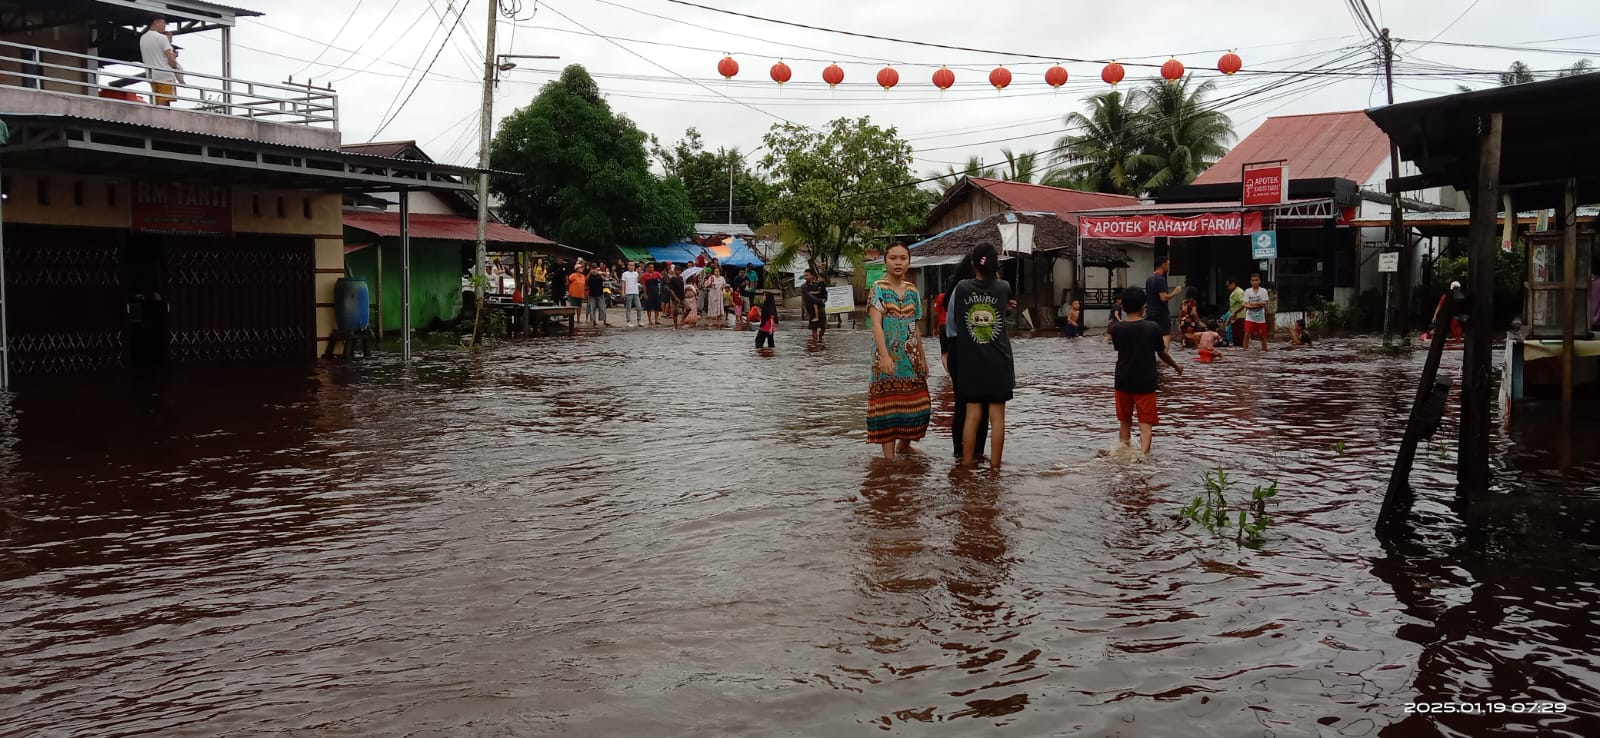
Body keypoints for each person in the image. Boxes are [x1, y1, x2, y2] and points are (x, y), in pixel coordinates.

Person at [951, 242, 1014, 469]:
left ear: (971, 264)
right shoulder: (1004, 287)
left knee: (972, 415)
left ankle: (967, 464)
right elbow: (1004, 306)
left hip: (971, 363)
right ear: (996, 266)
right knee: (997, 418)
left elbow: (957, 321)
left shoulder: (962, 288)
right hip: (999, 362)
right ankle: (995, 468)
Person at [867, 243, 931, 460]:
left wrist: (922, 358)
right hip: (886, 357)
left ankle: (904, 446)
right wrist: (884, 356)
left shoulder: (912, 289)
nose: (898, 262)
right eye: (893, 258)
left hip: (911, 358)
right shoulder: (878, 288)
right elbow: (876, 325)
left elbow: (915, 327)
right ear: (885, 261)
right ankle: (889, 459)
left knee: (919, 408)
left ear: (909, 261)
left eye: (903, 258)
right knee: (888, 408)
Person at [1110, 287, 1184, 456]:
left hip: (1123, 381)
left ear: (1123, 307)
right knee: (1146, 426)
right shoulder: (1152, 327)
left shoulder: (1116, 329)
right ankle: (1143, 459)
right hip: (1145, 382)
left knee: (1124, 423)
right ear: (1144, 307)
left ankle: (1124, 456)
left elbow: (1121, 350)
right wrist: (1176, 366)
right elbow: (1162, 353)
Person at [940, 255, 988, 462]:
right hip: (965, 349)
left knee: (967, 404)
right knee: (974, 405)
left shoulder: (985, 289)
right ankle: (969, 455)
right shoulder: (962, 289)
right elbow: (947, 324)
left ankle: (965, 456)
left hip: (963, 350)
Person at [139, 16, 179, 106]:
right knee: (165, 105)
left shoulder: (143, 38)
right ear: (155, 22)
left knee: (156, 103)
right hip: (166, 75)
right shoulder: (162, 38)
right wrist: (175, 65)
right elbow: (171, 60)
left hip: (152, 75)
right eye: (163, 23)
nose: (164, 25)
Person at [1145, 257, 1179, 349]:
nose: (1169, 266)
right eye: (1168, 264)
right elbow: (1163, 298)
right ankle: (1164, 358)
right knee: (1166, 334)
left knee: (1151, 335)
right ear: (1163, 264)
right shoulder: (1161, 279)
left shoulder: (1149, 279)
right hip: (1161, 312)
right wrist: (1174, 292)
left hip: (1150, 311)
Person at [1243, 273, 1270, 351]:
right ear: (1250, 282)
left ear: (1259, 281)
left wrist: (1253, 304)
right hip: (1249, 316)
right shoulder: (1247, 291)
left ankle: (1265, 350)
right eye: (1253, 280)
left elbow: (1263, 304)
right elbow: (1246, 305)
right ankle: (1245, 351)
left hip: (1260, 317)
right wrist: (1258, 304)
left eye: (1256, 280)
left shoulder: (1263, 291)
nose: (1255, 282)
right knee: (1247, 335)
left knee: (1262, 335)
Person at [803, 269, 828, 343]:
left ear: (812, 275)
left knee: (823, 327)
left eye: (807, 275)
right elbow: (808, 297)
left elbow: (824, 292)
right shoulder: (804, 287)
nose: (806, 277)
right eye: (805, 275)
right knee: (814, 328)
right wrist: (820, 301)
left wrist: (825, 298)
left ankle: (820, 339)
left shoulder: (818, 284)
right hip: (812, 309)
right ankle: (815, 342)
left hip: (821, 308)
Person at [1225, 278, 1247, 348]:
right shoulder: (1235, 292)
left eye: (1229, 285)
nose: (1228, 287)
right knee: (1236, 336)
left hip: (1239, 317)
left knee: (1239, 337)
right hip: (1235, 316)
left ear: (1233, 284)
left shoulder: (1239, 292)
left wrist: (1235, 313)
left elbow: (1243, 304)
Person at [621, 261, 643, 327]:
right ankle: (628, 321)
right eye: (630, 265)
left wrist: (639, 272)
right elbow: (623, 283)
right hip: (628, 292)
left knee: (639, 307)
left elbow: (639, 279)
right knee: (628, 308)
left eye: (633, 265)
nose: (632, 266)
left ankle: (639, 320)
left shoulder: (636, 273)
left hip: (635, 292)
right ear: (628, 266)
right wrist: (623, 292)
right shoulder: (625, 274)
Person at [667, 265, 687, 330]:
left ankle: (683, 319)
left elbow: (682, 287)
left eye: (680, 270)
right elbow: (671, 289)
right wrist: (675, 297)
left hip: (682, 296)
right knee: (675, 312)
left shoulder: (681, 278)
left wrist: (684, 294)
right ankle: (675, 326)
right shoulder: (672, 279)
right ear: (675, 270)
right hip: (675, 297)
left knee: (689, 308)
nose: (679, 272)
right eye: (677, 270)